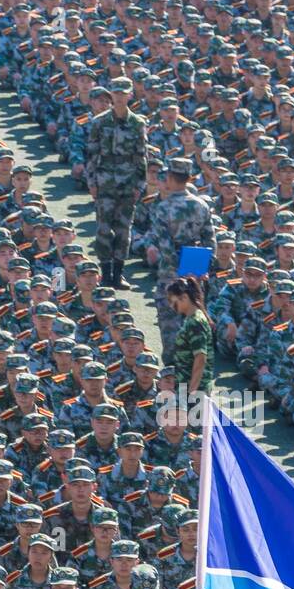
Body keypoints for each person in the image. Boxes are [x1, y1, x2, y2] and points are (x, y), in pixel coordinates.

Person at [83, 78, 149, 289]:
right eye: (116, 93)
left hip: (128, 182)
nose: (120, 97)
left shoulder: (138, 123)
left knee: (123, 229)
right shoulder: (99, 122)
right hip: (105, 181)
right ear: (112, 95)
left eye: (124, 93)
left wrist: (140, 185)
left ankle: (118, 273)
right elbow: (92, 155)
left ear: (130, 95)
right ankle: (106, 272)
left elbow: (142, 156)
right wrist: (91, 182)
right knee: (103, 228)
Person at [147, 159, 215, 355]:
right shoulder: (201, 205)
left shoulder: (163, 207)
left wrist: (178, 271)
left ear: (169, 178)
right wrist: (198, 269)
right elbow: (210, 241)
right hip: (195, 271)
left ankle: (174, 375)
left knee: (170, 327)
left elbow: (165, 245)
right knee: (195, 328)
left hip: (171, 275)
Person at [165, 277, 214, 395]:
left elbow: (200, 358)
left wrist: (192, 391)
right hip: (186, 383)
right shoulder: (191, 318)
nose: (172, 306)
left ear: (185, 298)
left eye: (173, 302)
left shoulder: (195, 322)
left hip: (194, 388)